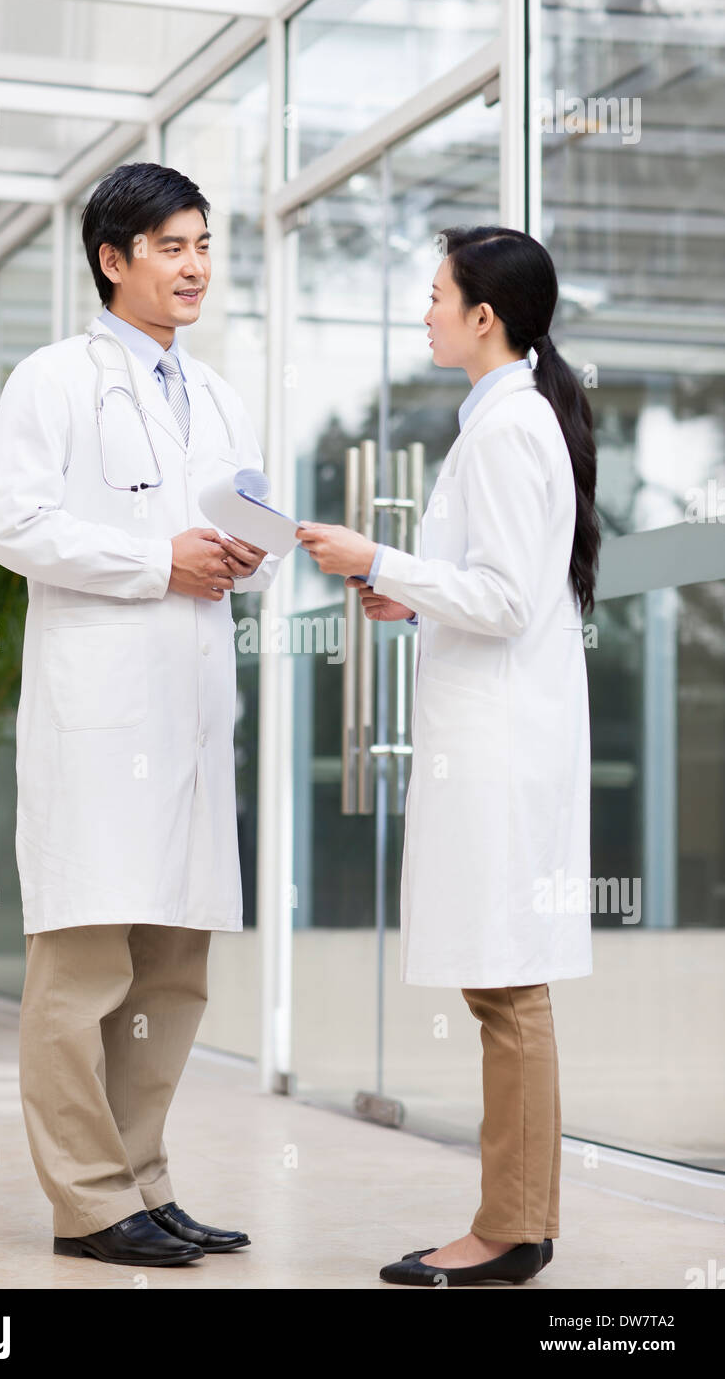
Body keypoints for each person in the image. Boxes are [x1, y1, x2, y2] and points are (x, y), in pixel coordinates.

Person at [0, 161, 281, 1268]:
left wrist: (240, 554)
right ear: (113, 260)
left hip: (192, 709)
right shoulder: (53, 379)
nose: (194, 265)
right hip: (99, 718)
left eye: (202, 243)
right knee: (82, 973)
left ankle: (146, 1182)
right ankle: (88, 1199)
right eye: (171, 246)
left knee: (171, 972)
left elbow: (224, 526)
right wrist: (156, 560)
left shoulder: (217, 392)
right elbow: (11, 523)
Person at [296, 225, 601, 1288]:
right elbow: (496, 587)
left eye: (434, 295)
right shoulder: (507, 420)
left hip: (502, 754)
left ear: (485, 316)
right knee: (504, 985)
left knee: (505, 989)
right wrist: (409, 591)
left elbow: (512, 598)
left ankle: (508, 1229)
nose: (421, 311)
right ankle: (518, 1217)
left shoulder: (510, 429)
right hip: (498, 739)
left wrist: (379, 556)